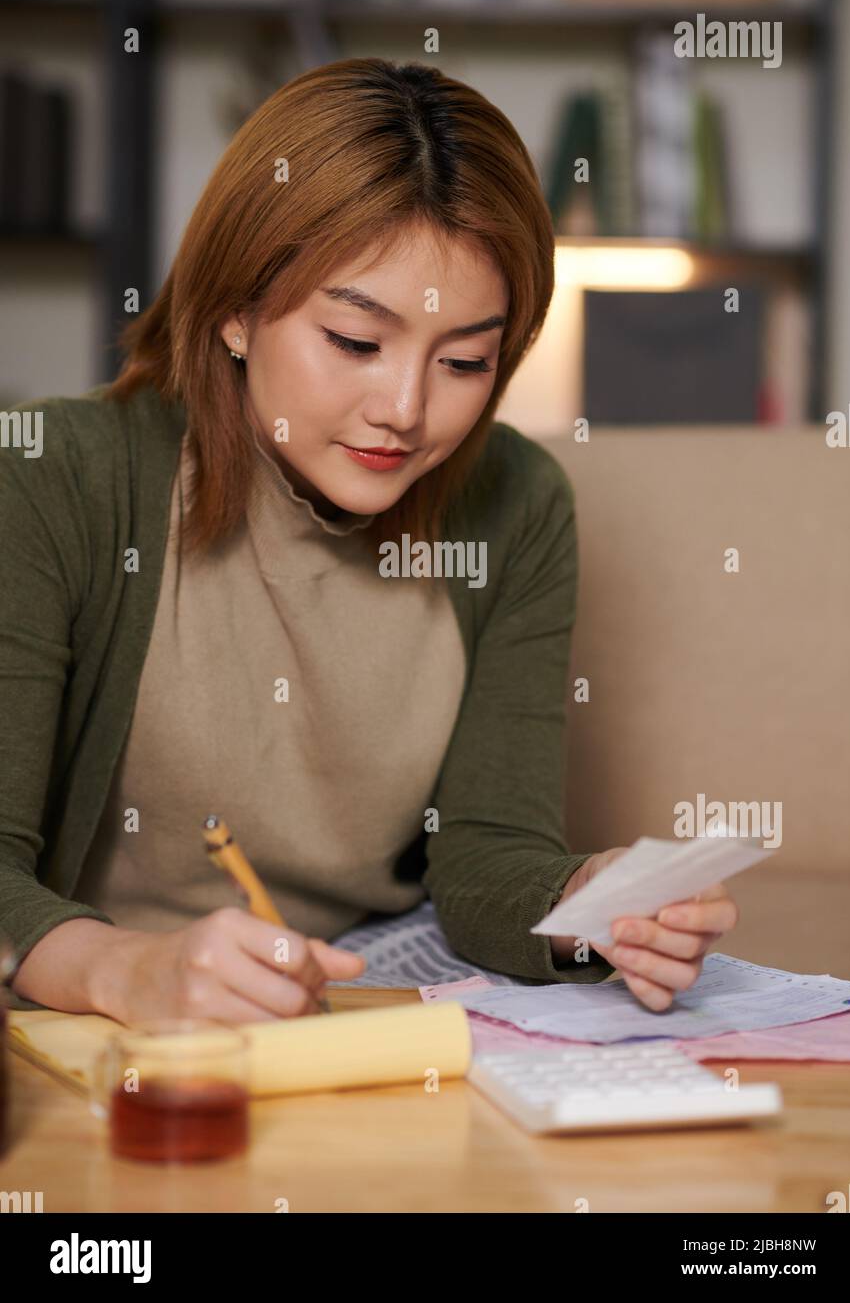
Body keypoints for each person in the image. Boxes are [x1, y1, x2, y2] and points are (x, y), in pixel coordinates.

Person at [0, 59, 737, 1024]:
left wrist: (586, 905)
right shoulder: (55, 476)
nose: (404, 411)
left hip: (363, 990)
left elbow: (485, 855)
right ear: (234, 308)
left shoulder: (516, 503)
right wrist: (122, 972)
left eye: (466, 360)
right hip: (96, 1010)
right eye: (355, 341)